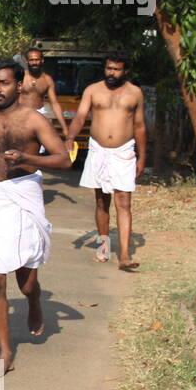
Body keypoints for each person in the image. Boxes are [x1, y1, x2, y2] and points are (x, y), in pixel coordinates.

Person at [0, 59, 72, 376]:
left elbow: (64, 159)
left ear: (19, 84)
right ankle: (5, 350)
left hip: (25, 193)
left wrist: (27, 157)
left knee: (25, 282)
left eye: (4, 83)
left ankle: (35, 300)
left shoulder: (33, 120)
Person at [63, 52, 147, 270]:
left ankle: (125, 255)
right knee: (102, 202)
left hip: (124, 152)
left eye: (116, 69)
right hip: (98, 150)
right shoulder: (92, 90)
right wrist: (70, 138)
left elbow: (139, 126)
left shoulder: (135, 93)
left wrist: (142, 156)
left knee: (123, 202)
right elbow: (80, 117)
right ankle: (103, 250)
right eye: (109, 68)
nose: (112, 73)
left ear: (125, 71)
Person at [18, 47, 69, 141]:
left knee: (40, 148)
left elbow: (55, 104)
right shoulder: (20, 77)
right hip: (20, 117)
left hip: (39, 116)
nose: (34, 63)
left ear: (42, 60)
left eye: (37, 60)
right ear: (26, 61)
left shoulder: (47, 80)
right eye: (31, 60)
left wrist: (64, 128)